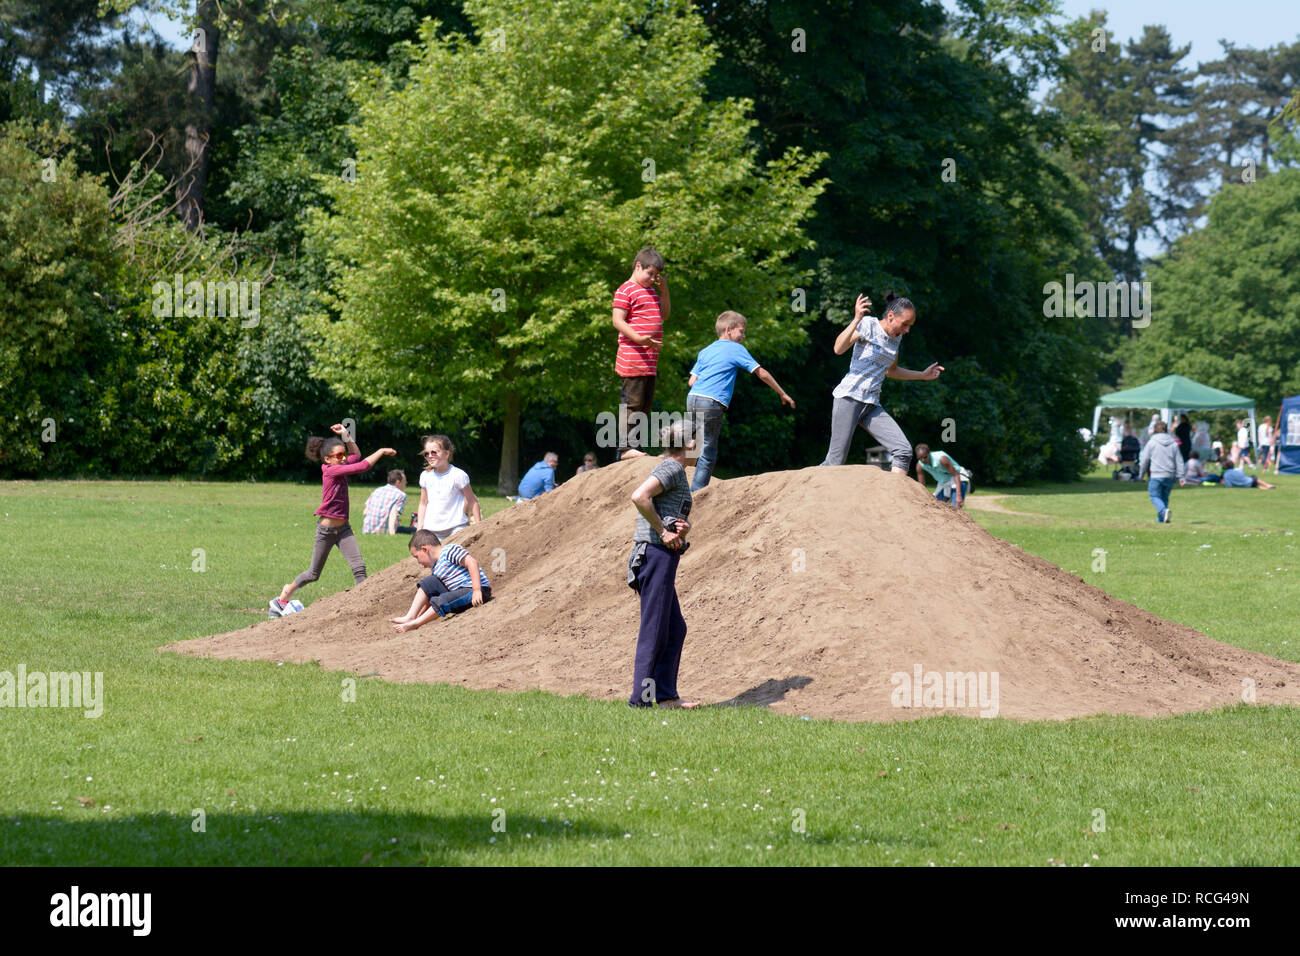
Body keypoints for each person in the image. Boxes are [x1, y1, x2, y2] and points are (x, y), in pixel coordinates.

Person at [270, 425, 396, 616]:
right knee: (313, 574)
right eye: (338, 456)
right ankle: (283, 597)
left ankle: (364, 609)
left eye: (343, 454)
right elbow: (362, 465)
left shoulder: (340, 466)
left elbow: (357, 455)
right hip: (326, 531)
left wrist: (346, 435)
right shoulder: (330, 471)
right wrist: (380, 451)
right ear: (327, 459)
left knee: (359, 568)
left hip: (344, 529)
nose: (343, 458)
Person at [820, 291, 944, 472]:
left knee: (903, 451)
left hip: (871, 404)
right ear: (891, 316)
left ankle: (895, 499)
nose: (907, 330)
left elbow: (891, 371)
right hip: (849, 397)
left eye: (910, 326)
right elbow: (838, 349)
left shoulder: (896, 339)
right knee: (835, 462)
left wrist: (922, 375)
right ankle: (804, 494)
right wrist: (856, 320)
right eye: (905, 324)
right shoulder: (868, 325)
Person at [626, 420, 698, 709]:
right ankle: (640, 700)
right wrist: (663, 531)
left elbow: (665, 510)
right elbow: (639, 496)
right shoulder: (672, 467)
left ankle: (666, 695)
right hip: (654, 555)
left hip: (663, 555)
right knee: (654, 629)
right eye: (699, 442)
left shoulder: (675, 470)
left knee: (674, 628)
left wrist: (680, 529)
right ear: (690, 444)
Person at [686, 310, 795, 491]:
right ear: (729, 330)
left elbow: (691, 382)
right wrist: (782, 393)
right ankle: (695, 493)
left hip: (693, 398)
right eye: (741, 331)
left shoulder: (706, 350)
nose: (743, 336)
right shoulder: (736, 349)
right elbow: (761, 372)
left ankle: (672, 474)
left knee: (694, 443)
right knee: (708, 451)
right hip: (711, 401)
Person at [611, 247, 669, 459]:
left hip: (650, 361)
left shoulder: (652, 291)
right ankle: (625, 448)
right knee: (632, 403)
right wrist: (639, 338)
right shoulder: (625, 290)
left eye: (656, 276)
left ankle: (636, 445)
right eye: (650, 273)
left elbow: (665, 314)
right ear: (638, 266)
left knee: (645, 406)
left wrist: (664, 291)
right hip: (633, 358)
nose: (653, 279)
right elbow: (617, 320)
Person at [390, 530, 492, 632]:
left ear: (425, 549)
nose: (418, 562)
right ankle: (411, 617)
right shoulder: (436, 567)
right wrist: (419, 615)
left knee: (442, 599)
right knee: (428, 582)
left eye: (417, 557)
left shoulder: (450, 550)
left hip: (475, 591)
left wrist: (477, 590)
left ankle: (416, 623)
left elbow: (472, 562)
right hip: (457, 594)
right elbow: (429, 599)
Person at [417, 434, 482, 540]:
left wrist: (479, 526)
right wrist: (419, 528)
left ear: (446, 454)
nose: (430, 456)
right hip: (431, 529)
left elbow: (472, 501)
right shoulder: (425, 476)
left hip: (455, 528)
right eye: (426, 453)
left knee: (454, 554)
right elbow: (423, 503)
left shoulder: (458, 475)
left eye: (434, 452)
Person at [1138, 420, 1185, 523]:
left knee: (1154, 496)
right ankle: (1161, 520)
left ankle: (1163, 511)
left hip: (1156, 474)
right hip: (1169, 475)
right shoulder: (1173, 443)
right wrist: (1181, 476)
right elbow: (1179, 461)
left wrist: (1141, 474)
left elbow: (1144, 459)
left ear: (1154, 430)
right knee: (1164, 497)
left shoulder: (1152, 442)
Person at [362, 469, 413, 534]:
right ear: (397, 482)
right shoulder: (401, 495)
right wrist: (392, 534)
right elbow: (393, 515)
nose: (406, 483)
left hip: (367, 530)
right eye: (404, 481)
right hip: (383, 531)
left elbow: (365, 512)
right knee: (415, 531)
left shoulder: (377, 490)